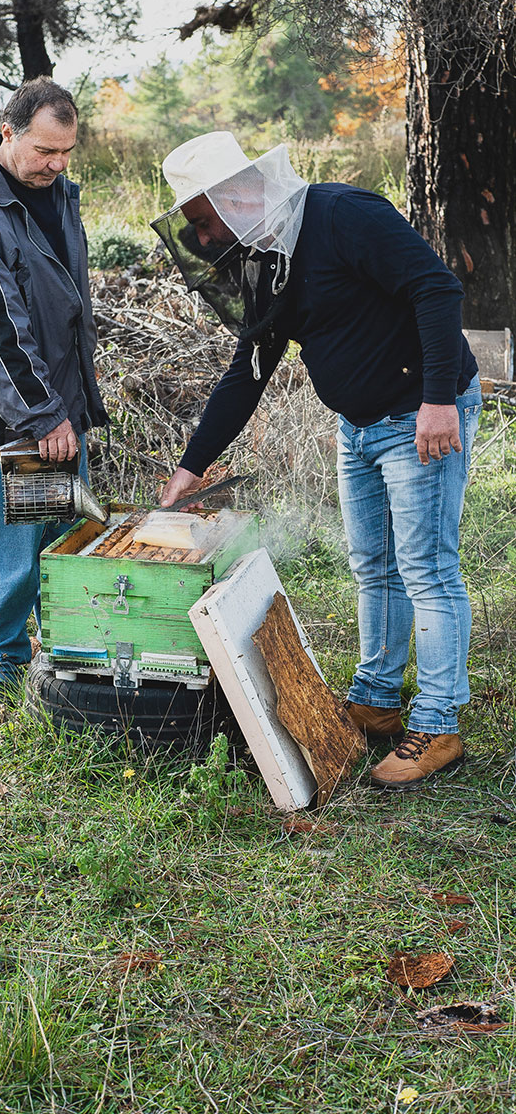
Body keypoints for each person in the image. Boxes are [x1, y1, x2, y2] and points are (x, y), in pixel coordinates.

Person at [152, 131, 481, 791]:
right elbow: (246, 372)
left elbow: (436, 290)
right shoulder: (261, 259)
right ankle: (377, 698)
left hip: (418, 416)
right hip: (357, 428)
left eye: (203, 221)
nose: (202, 239)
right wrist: (191, 467)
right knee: (372, 566)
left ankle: (438, 723)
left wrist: (439, 401)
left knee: (426, 570)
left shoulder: (342, 215)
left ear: (238, 195)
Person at [0, 78, 108, 723]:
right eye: (44, 151)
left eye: (67, 152)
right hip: (11, 409)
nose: (58, 165)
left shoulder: (56, 193)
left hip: (54, 403)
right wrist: (40, 418)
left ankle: (65, 657)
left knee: (64, 533)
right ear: (8, 134)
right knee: (13, 545)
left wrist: (69, 405)